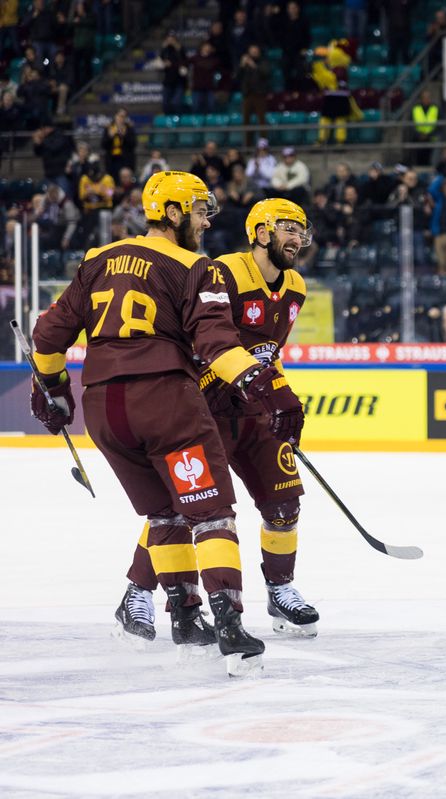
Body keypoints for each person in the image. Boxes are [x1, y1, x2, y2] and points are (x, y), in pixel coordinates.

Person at [29, 171, 305, 676]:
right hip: (164, 400)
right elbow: (217, 345)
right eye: (199, 211)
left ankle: (184, 617)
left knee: (165, 516)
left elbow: (46, 336)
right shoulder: (195, 266)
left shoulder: (97, 259)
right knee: (213, 513)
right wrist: (263, 388)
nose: (205, 222)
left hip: (102, 408)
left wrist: (50, 390)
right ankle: (228, 623)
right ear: (173, 213)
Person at [115, 198, 320, 642]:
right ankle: (137, 592)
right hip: (202, 409)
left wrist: (280, 396)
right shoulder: (221, 272)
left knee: (284, 505)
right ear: (261, 233)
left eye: (301, 229)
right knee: (182, 509)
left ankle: (280, 588)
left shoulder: (296, 287)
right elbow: (201, 339)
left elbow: (268, 352)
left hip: (252, 408)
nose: (297, 236)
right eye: (287, 227)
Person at [101, 107, 136, 177]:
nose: (121, 118)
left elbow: (134, 144)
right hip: (112, 160)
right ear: (115, 116)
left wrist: (124, 136)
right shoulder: (109, 128)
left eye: (123, 116)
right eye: (119, 116)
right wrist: (110, 137)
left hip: (125, 160)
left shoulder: (129, 128)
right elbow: (103, 145)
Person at [409, 89, 439, 167]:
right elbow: (410, 123)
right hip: (417, 137)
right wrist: (419, 134)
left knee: (428, 158)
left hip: (431, 137)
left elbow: (439, 123)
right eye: (424, 97)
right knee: (417, 158)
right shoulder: (415, 108)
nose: (426, 99)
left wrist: (429, 134)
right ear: (421, 99)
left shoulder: (435, 108)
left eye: (428, 97)